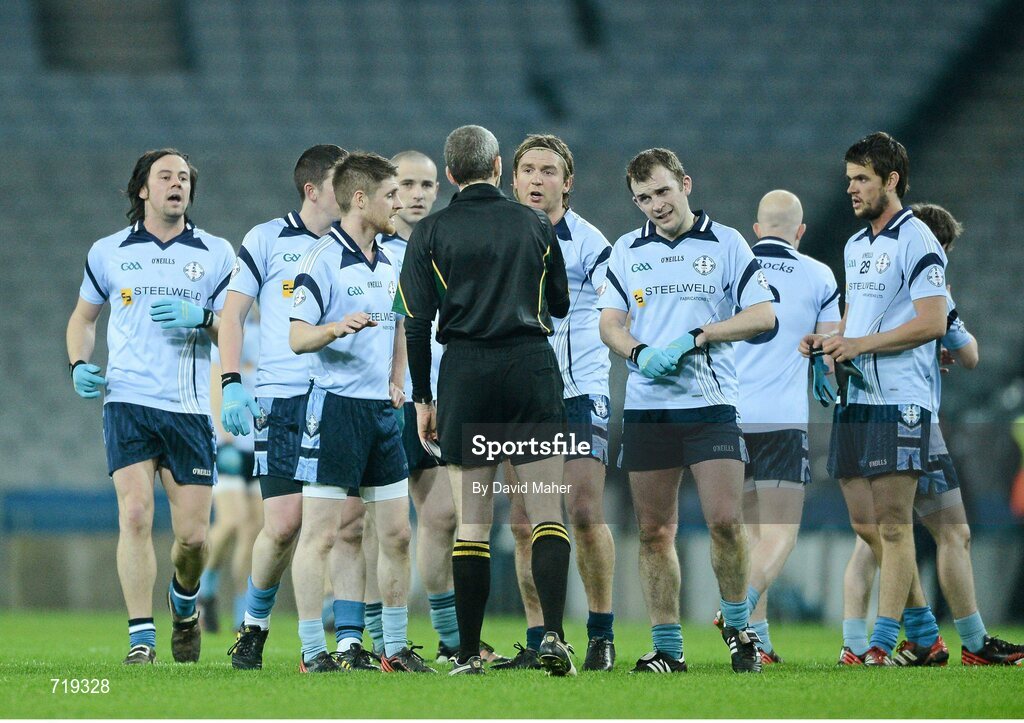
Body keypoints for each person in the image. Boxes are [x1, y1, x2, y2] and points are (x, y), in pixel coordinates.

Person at [394, 125, 574, 676]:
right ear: (499, 168)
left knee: (471, 523)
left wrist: (423, 398)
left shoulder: (430, 233)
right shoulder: (536, 224)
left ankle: (467, 652)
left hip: (466, 375)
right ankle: (553, 638)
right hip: (529, 369)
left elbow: (417, 324)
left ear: (450, 174)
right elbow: (561, 305)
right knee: (546, 512)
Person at [599, 148, 775, 673]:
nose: (655, 205)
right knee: (654, 531)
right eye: (643, 198)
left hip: (711, 404)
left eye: (662, 191)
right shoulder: (627, 250)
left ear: (685, 184)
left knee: (724, 521)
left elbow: (763, 316)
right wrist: (637, 352)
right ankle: (668, 649)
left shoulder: (726, 243)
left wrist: (700, 336)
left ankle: (741, 631)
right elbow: (610, 323)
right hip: (649, 408)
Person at [66, 148, 235, 664]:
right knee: (135, 514)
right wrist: (78, 363)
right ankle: (141, 638)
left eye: (183, 177)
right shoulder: (108, 252)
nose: (176, 183)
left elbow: (234, 328)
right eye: (165, 176)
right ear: (143, 189)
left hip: (187, 409)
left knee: (194, 540)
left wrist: (200, 312)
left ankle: (183, 602)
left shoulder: (215, 253)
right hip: (128, 401)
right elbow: (83, 320)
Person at [216, 144, 379, 671]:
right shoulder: (266, 240)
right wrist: (232, 382)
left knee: (349, 522)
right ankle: (254, 625)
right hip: (284, 399)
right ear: (313, 190)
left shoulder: (365, 245)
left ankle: (350, 642)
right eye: (342, 182)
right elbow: (232, 315)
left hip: (344, 398)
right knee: (284, 524)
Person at [840, 203, 1024, 666]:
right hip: (894, 413)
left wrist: (935, 337)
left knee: (950, 531)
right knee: (885, 529)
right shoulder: (913, 277)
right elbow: (968, 353)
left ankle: (971, 642)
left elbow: (967, 352)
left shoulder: (917, 285)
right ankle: (905, 635)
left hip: (916, 418)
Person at [801, 131, 949, 667]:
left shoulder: (918, 241)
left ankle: (883, 643)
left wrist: (861, 344)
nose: (852, 190)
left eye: (862, 179)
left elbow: (931, 321)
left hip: (901, 399)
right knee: (866, 526)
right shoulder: (855, 244)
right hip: (855, 398)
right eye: (848, 180)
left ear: (892, 181)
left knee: (892, 523)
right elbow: (861, 320)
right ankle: (926, 634)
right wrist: (829, 342)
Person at [289, 152, 431, 673]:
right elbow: (297, 336)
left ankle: (392, 648)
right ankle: (312, 651)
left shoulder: (392, 259)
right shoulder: (321, 260)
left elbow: (398, 321)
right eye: (391, 195)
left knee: (397, 533)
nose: (400, 204)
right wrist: (334, 328)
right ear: (360, 199)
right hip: (333, 411)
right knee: (322, 535)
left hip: (379, 414)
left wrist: (399, 379)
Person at [496, 134, 617, 672]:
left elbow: (615, 316)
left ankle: (601, 633)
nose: (537, 179)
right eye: (528, 170)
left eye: (549, 171)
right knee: (523, 523)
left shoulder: (592, 245)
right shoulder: (495, 236)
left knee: (585, 511)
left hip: (578, 391)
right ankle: (543, 637)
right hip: (519, 397)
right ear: (512, 178)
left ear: (567, 183)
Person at [729, 190, 841, 664]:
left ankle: (761, 641)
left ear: (756, 229)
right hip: (780, 419)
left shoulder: (732, 264)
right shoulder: (819, 275)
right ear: (800, 232)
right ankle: (738, 613)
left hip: (727, 419)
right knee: (782, 534)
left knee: (752, 537)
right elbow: (832, 355)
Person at [199, 312, 263, 633]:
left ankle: (242, 612)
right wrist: (221, 438)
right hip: (229, 443)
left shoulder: (275, 328)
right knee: (231, 521)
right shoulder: (229, 328)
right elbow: (215, 378)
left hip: (258, 444)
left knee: (253, 532)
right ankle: (204, 587)